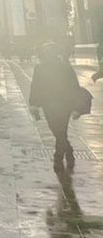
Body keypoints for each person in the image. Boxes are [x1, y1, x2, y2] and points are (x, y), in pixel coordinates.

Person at [30, 41, 82, 172]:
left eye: (50, 51)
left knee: (60, 131)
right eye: (46, 52)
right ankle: (68, 150)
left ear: (55, 52)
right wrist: (33, 104)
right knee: (57, 130)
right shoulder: (39, 68)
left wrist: (77, 106)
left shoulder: (65, 67)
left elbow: (74, 87)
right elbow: (35, 87)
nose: (48, 54)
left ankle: (58, 158)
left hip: (64, 105)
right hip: (49, 105)